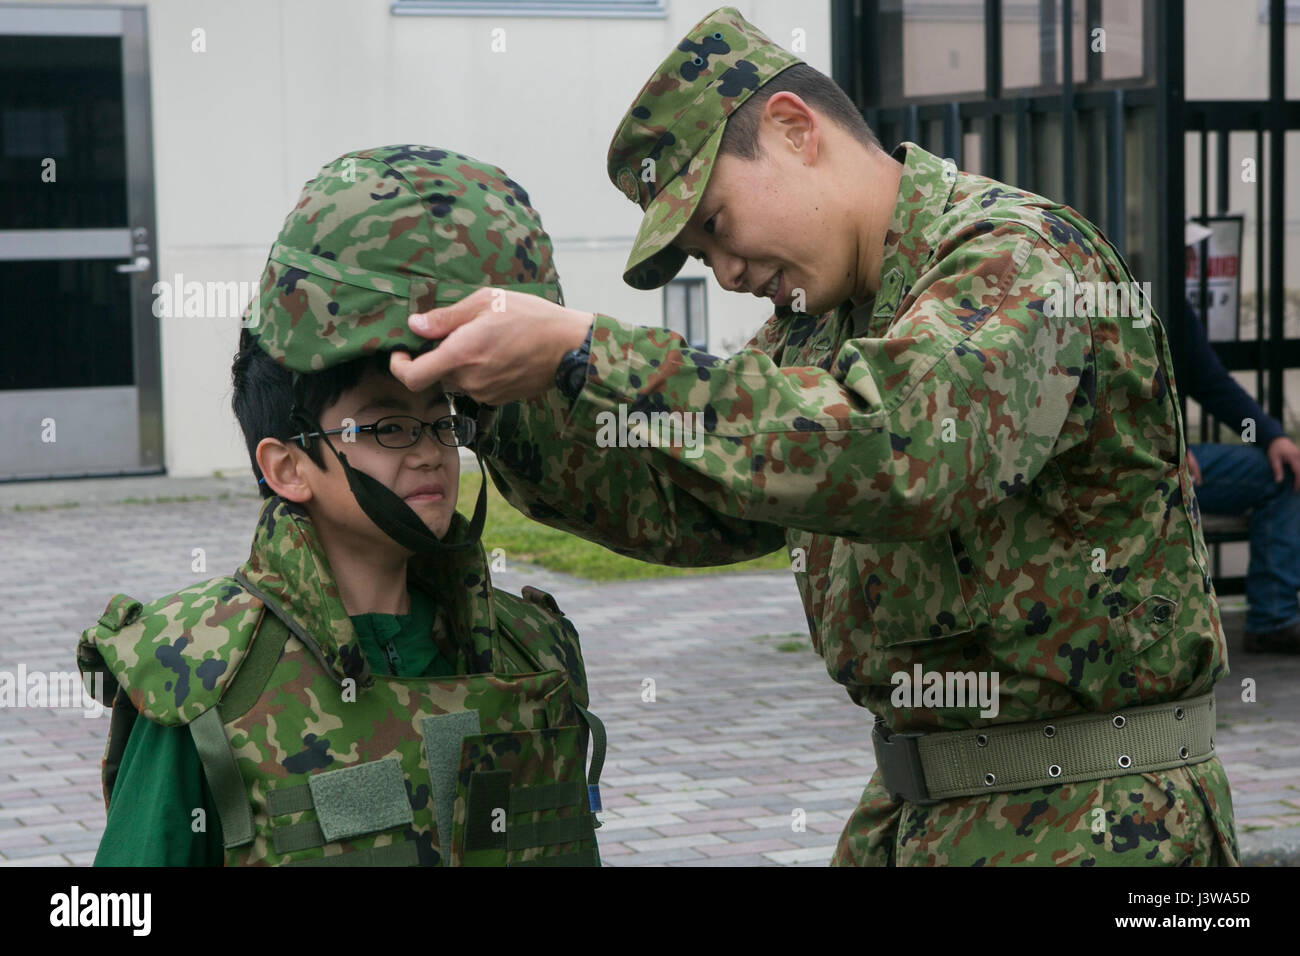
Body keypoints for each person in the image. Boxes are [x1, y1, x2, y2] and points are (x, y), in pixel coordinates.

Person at [389, 8, 1238, 866]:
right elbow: (688, 502)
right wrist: (508, 405)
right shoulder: (823, 326)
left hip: (1100, 820)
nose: (723, 272)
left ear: (795, 130)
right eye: (696, 254)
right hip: (929, 807)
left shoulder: (1019, 261)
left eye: (714, 226)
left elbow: (895, 447)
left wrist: (586, 348)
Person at [77, 145, 603, 867]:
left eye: (442, 422)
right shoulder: (199, 676)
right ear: (287, 467)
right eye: (387, 427)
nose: (428, 451)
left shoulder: (530, 653)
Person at [1172, 290, 1300, 653]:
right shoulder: (1088, 288)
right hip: (1129, 451)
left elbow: (1211, 382)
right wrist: (1161, 439)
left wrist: (1271, 435)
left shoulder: (1164, 292)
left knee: (1281, 473)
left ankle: (1274, 620)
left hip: (1178, 452)